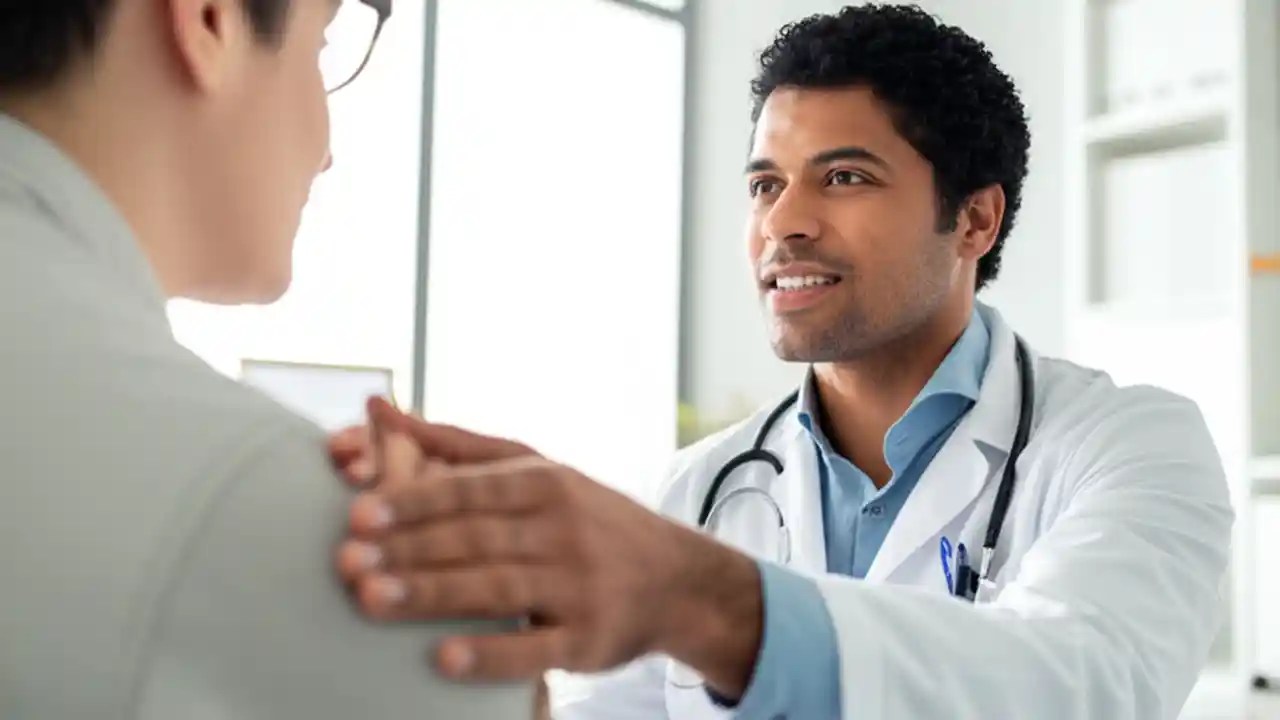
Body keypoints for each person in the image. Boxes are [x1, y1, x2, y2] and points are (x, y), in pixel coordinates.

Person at [329, 5, 1235, 719]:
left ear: (974, 220)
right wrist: (486, 655)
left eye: (844, 177)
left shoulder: (1131, 446)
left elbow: (1084, 684)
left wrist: (705, 599)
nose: (783, 221)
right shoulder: (705, 488)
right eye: (766, 182)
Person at [0, 1, 532, 718]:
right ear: (210, 19)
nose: (329, 146)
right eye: (324, 44)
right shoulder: (351, 562)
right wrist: (510, 644)